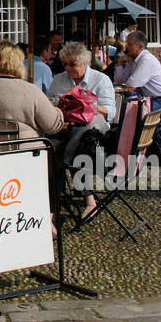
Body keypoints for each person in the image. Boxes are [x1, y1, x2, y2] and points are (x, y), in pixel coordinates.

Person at [47, 41, 116, 217]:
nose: (68, 68)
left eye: (72, 64)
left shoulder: (100, 79)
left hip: (94, 135)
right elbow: (50, 105)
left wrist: (86, 105)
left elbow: (111, 112)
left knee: (66, 148)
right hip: (64, 129)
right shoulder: (59, 79)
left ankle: (57, 208)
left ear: (84, 62)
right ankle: (81, 199)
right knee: (49, 148)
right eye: (65, 64)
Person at [112, 30, 161, 155]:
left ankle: (159, 151)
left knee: (132, 116)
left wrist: (128, 85)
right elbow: (120, 80)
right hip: (148, 99)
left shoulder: (146, 60)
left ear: (140, 46)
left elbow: (132, 83)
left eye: (129, 44)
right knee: (125, 113)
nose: (126, 47)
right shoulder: (133, 60)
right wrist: (119, 63)